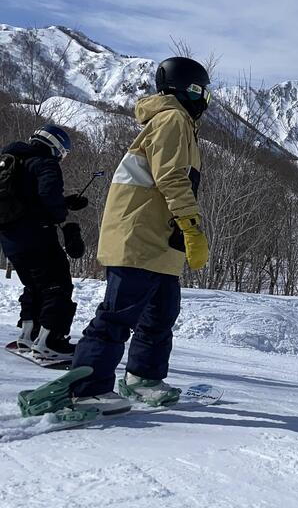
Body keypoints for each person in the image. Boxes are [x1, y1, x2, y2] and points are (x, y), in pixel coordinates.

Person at [55, 57, 212, 415]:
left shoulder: (180, 123)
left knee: (160, 316)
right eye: (202, 92)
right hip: (139, 236)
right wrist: (191, 225)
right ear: (187, 88)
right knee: (118, 315)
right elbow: (171, 177)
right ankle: (87, 388)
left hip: (160, 240)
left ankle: (144, 378)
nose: (205, 100)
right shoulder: (172, 119)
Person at [1, 124, 89, 363]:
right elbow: (48, 197)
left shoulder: (13, 161)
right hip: (37, 238)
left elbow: (30, 199)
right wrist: (63, 215)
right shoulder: (45, 163)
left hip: (10, 240)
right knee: (56, 286)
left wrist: (65, 202)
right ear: (56, 146)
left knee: (34, 286)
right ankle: (50, 342)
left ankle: (28, 336)